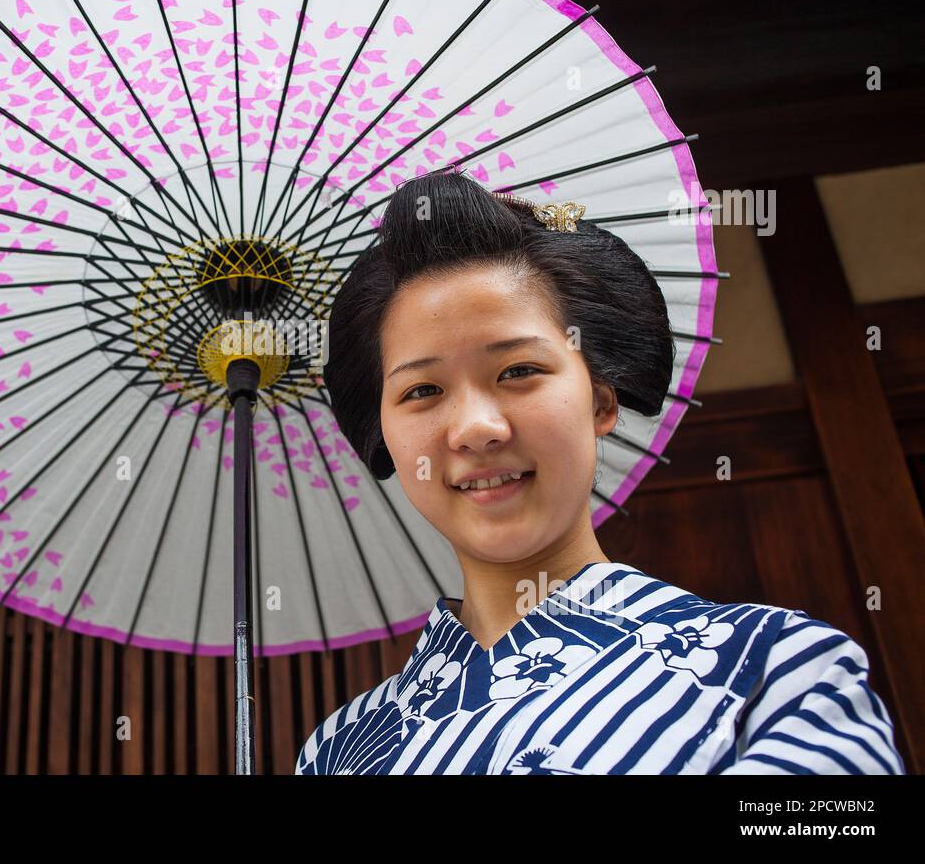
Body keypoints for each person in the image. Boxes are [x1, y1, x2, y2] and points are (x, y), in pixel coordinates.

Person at [294, 171, 904, 775]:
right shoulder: (340, 750)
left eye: (518, 371)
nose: (476, 428)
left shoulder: (775, 671)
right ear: (385, 437)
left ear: (601, 402)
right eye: (422, 389)